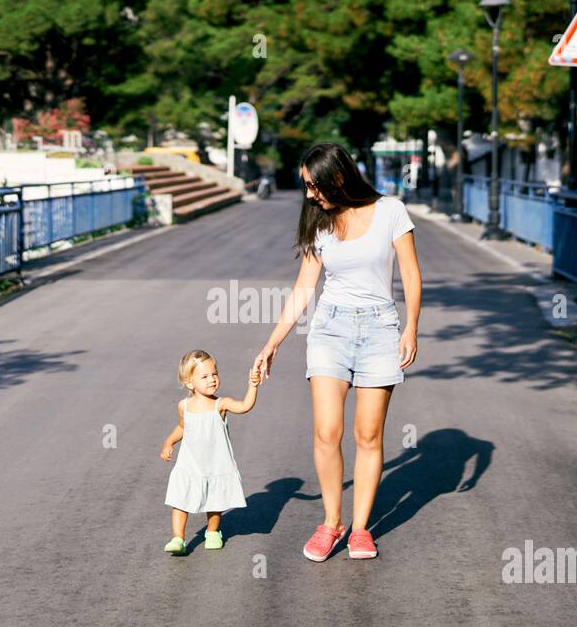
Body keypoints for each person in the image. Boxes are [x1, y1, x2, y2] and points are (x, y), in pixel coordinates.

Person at [252, 143, 422, 561]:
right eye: (306, 185)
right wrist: (272, 343)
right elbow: (304, 287)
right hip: (330, 329)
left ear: (338, 177)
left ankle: (360, 529)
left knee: (368, 434)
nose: (309, 194)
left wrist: (411, 328)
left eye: (314, 185)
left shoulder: (391, 211)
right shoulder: (319, 221)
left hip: (380, 329)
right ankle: (331, 523)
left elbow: (410, 273)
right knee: (327, 432)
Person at [160, 351, 261, 555]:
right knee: (180, 499)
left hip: (215, 464)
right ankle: (178, 538)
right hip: (190, 463)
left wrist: (253, 385)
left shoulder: (220, 404)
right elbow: (182, 427)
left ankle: (213, 532)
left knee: (215, 501)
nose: (212, 379)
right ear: (189, 382)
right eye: (204, 376)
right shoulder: (184, 406)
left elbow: (244, 406)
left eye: (214, 374)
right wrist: (169, 442)